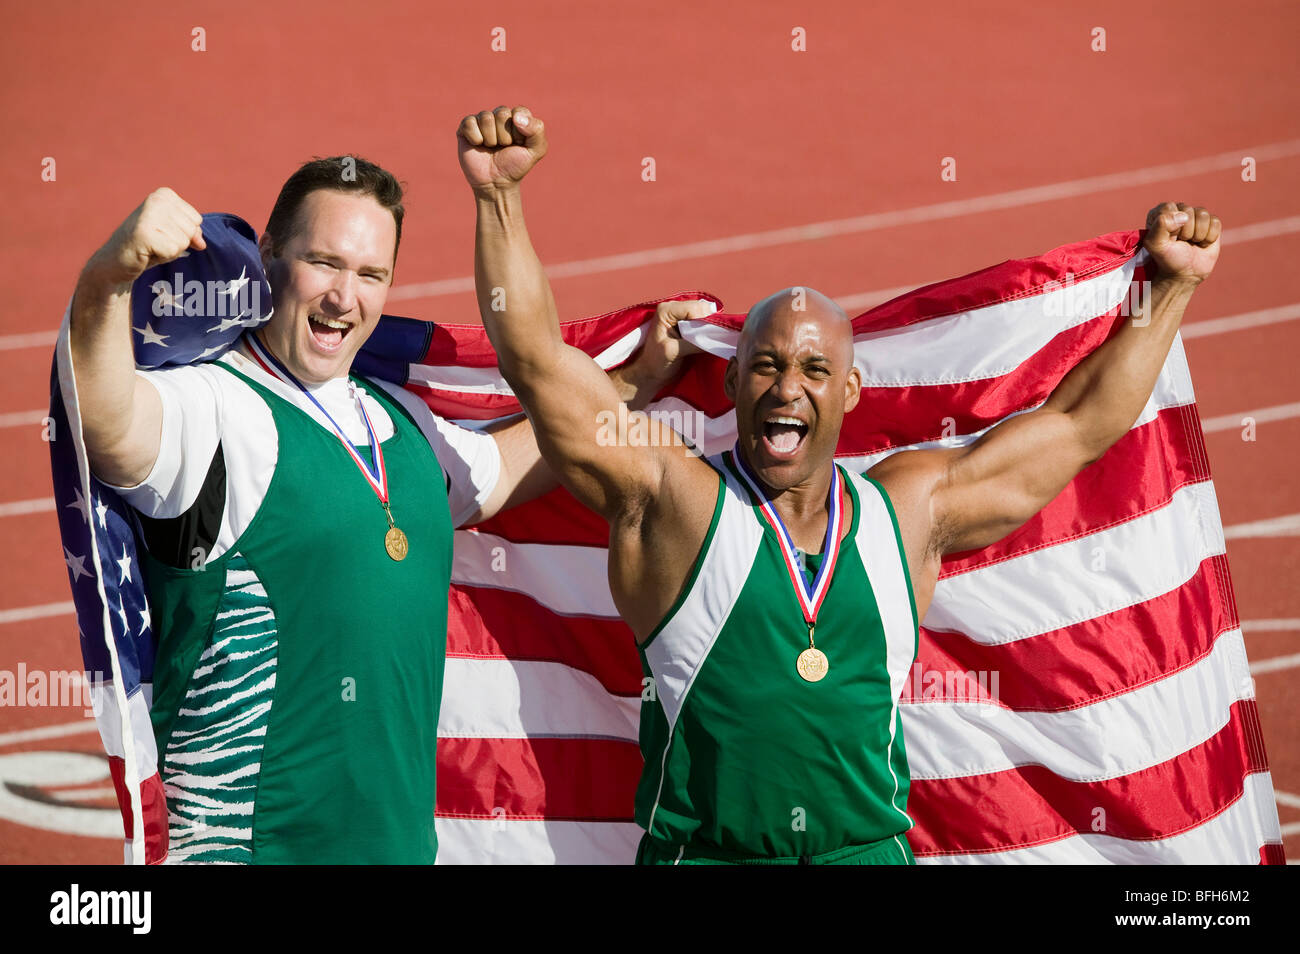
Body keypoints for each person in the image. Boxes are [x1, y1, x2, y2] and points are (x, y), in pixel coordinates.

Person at [456, 105, 1222, 865]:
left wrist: (1172, 288)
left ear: (849, 392)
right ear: (732, 378)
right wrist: (499, 198)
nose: (789, 387)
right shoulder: (674, 502)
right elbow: (534, 359)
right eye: (767, 365)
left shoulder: (913, 513)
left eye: (815, 370)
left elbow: (1080, 423)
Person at [67, 156, 704, 864]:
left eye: (370, 275)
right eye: (324, 263)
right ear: (269, 257)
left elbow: (512, 465)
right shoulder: (213, 409)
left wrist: (630, 384)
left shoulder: (402, 425)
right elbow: (109, 424)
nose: (345, 296)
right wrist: (110, 277)